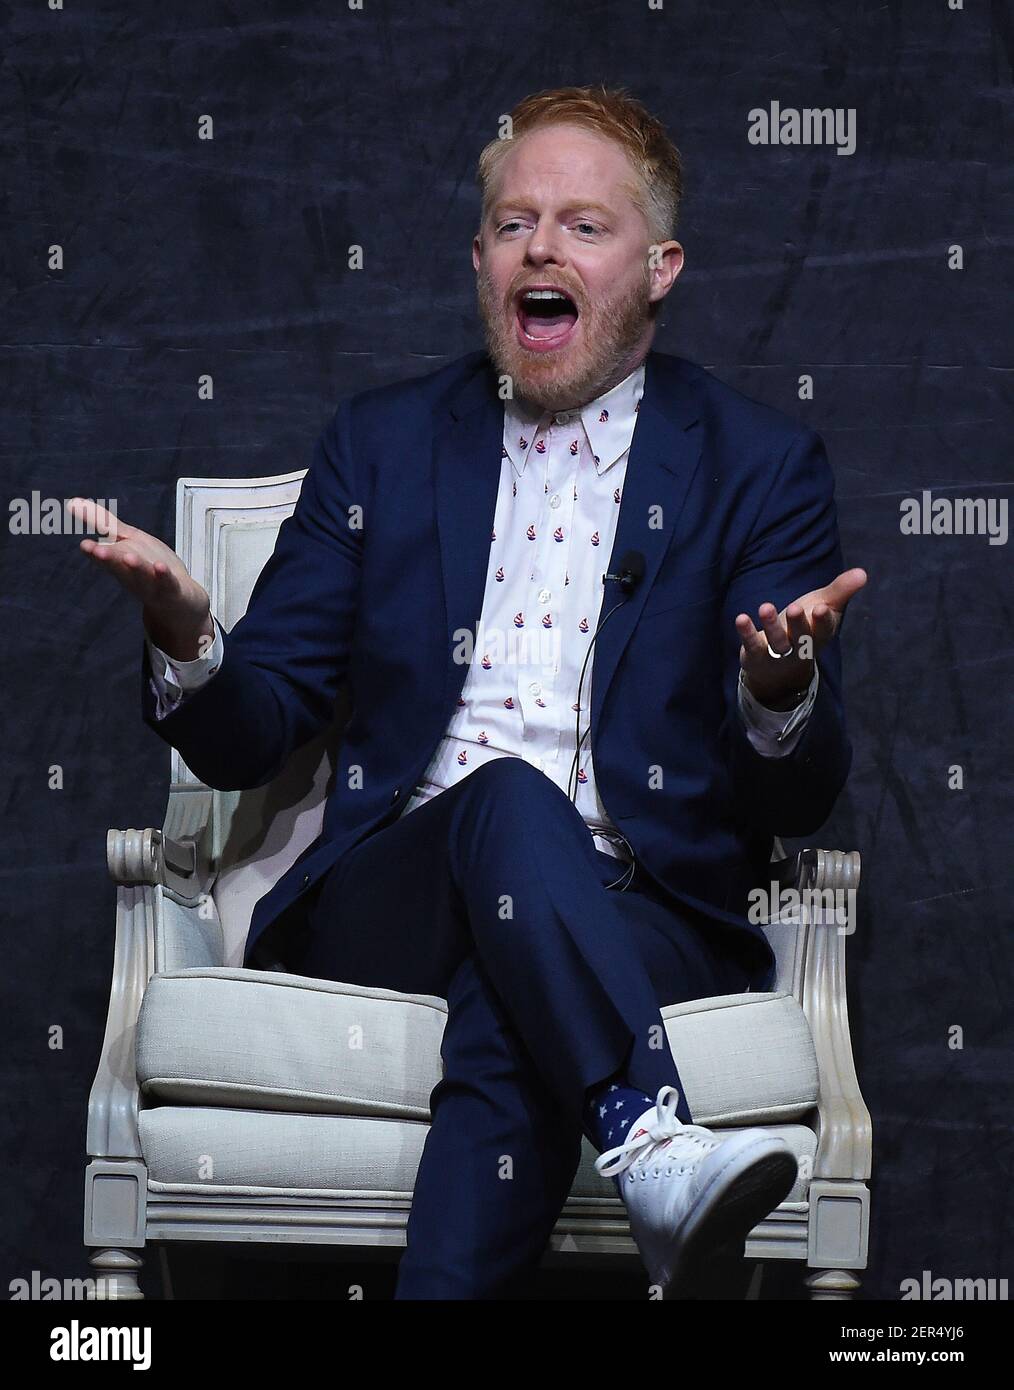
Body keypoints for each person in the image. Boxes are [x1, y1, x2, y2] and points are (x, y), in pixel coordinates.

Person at [70, 84, 866, 1300]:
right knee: (505, 805)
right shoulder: (384, 443)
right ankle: (653, 1140)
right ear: (481, 257)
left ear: (659, 268)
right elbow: (254, 727)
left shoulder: (756, 465)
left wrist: (777, 693)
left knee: (514, 1011)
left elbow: (797, 792)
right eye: (514, 223)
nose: (542, 247)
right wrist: (191, 638)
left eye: (583, 227)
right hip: (404, 888)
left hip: (646, 904)